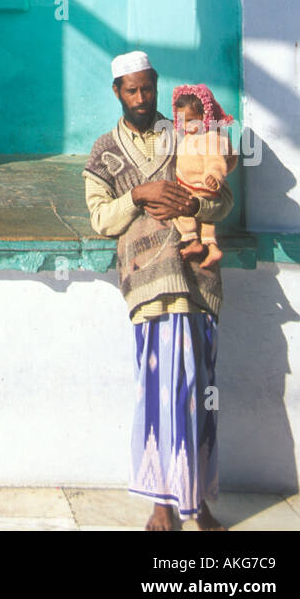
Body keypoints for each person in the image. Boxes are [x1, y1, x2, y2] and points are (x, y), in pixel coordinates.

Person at [82, 51, 233, 531]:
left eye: (147, 88)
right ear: (117, 93)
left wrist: (198, 201)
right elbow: (101, 218)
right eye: (132, 90)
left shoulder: (184, 132)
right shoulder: (104, 151)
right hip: (149, 287)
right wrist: (139, 196)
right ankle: (161, 505)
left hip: (196, 285)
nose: (142, 98)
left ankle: (199, 503)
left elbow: (223, 197)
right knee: (159, 395)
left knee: (199, 392)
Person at [172, 84, 237, 267]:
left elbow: (216, 161)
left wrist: (213, 177)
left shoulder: (210, 138)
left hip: (201, 185)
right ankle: (212, 248)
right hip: (195, 185)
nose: (187, 126)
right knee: (207, 220)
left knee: (178, 208)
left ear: (205, 116)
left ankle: (192, 240)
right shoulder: (195, 135)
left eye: (192, 120)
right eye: (183, 120)